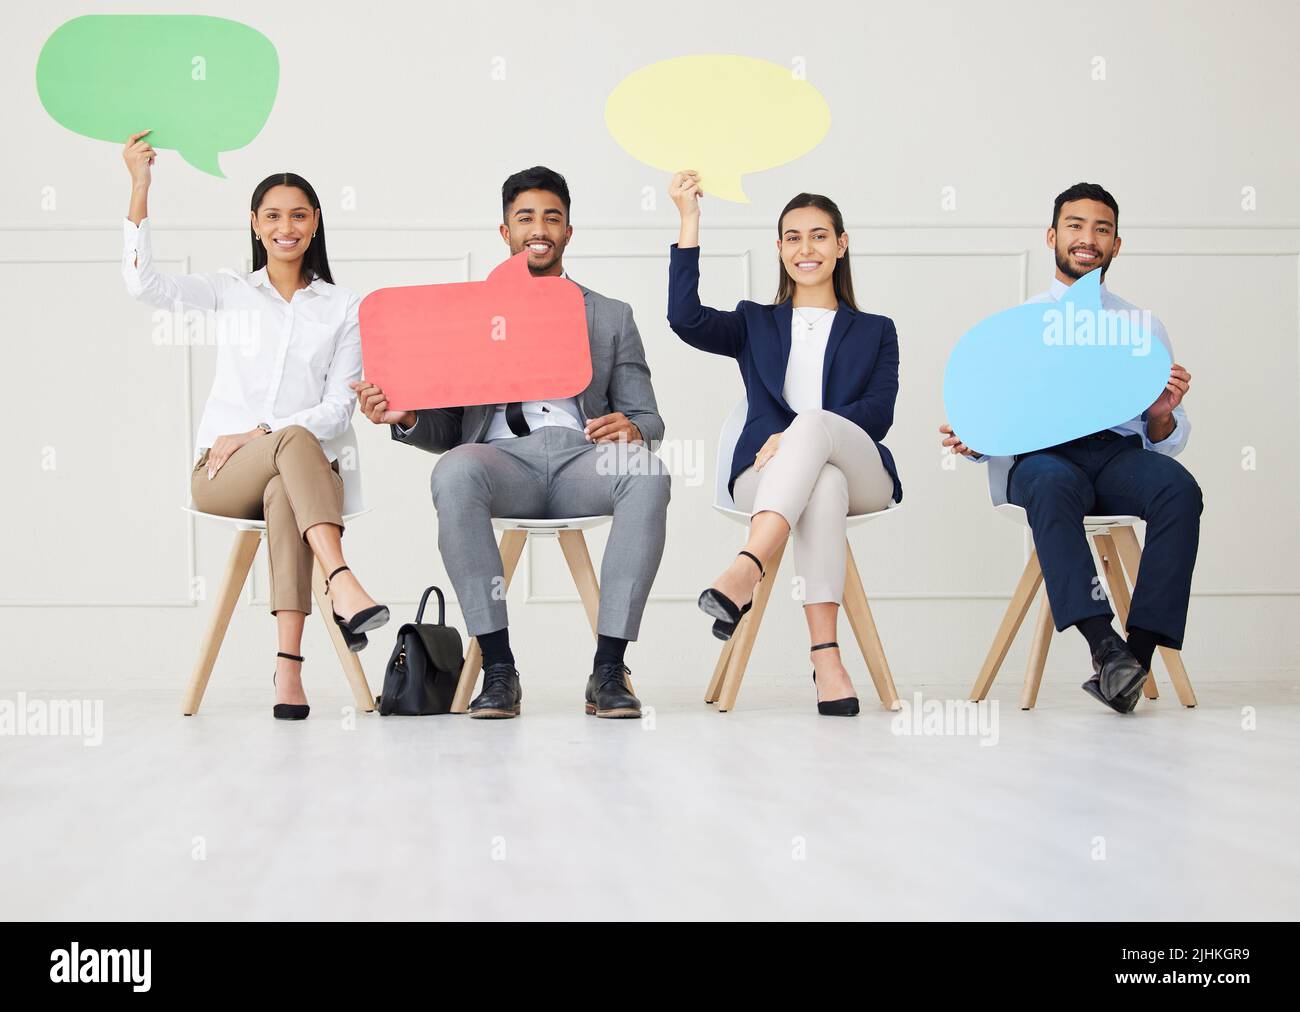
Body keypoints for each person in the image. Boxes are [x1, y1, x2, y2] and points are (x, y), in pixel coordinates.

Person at [353, 166, 669, 720]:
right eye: (525, 218)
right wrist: (405, 418)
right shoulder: (470, 315)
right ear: (505, 232)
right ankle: (498, 670)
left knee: (649, 474)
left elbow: (648, 416)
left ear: (569, 231)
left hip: (582, 458)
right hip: (500, 460)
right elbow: (449, 430)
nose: (539, 228)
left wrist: (635, 429)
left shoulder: (611, 316)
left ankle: (609, 667)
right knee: (454, 469)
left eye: (552, 217)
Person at [120, 131, 388, 721]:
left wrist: (259, 431)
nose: (285, 226)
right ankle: (341, 580)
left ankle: (287, 671)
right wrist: (140, 185)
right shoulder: (230, 291)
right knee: (290, 444)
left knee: (283, 487)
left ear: (315, 222)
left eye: (297, 214)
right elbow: (144, 285)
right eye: (272, 216)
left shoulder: (345, 307)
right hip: (219, 473)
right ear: (255, 223)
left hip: (300, 477)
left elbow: (338, 410)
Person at [940, 182, 1200, 714]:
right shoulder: (1018, 328)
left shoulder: (1142, 327)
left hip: (1118, 457)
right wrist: (973, 442)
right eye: (1076, 227)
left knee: (1179, 490)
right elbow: (991, 423)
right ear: (1052, 235)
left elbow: (1162, 435)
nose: (1088, 239)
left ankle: (1134, 656)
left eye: (1101, 229)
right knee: (1051, 481)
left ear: (1116, 245)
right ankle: (1104, 645)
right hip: (1043, 458)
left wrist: (1161, 415)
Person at [666, 171, 902, 717]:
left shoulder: (877, 330)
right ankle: (827, 660)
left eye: (819, 235)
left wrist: (800, 432)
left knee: (819, 436)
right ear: (779, 249)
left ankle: (746, 567)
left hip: (864, 467)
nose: (806, 248)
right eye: (793, 237)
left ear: (841, 246)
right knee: (823, 484)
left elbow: (877, 416)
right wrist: (689, 221)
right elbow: (684, 318)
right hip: (767, 476)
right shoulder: (755, 322)